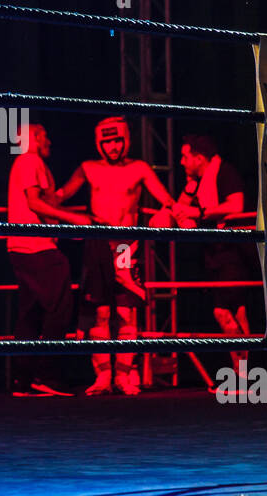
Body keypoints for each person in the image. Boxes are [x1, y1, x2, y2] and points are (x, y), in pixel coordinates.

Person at [52, 117, 187, 395]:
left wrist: (179, 215)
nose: (112, 146)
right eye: (107, 141)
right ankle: (103, 377)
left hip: (128, 243)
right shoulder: (88, 168)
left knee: (127, 312)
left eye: (116, 140)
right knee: (99, 313)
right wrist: (36, 208)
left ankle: (124, 376)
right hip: (98, 241)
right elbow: (60, 195)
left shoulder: (139, 169)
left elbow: (167, 200)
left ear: (125, 140)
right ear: (99, 143)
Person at [151, 135, 254, 373]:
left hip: (232, 250)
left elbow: (236, 206)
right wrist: (187, 191)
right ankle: (243, 373)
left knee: (223, 311)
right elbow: (179, 211)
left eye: (186, 156)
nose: (182, 162)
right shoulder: (199, 181)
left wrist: (200, 212)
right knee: (236, 310)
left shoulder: (224, 172)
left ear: (200, 157)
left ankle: (242, 372)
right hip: (215, 252)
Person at [5, 123, 89, 396]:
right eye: (43, 135)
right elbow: (35, 204)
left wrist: (62, 224)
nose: (48, 140)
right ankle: (46, 373)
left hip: (22, 245)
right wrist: (75, 220)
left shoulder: (25, 163)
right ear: (34, 138)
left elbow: (45, 204)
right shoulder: (30, 161)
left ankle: (24, 379)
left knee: (30, 312)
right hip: (35, 246)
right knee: (60, 306)